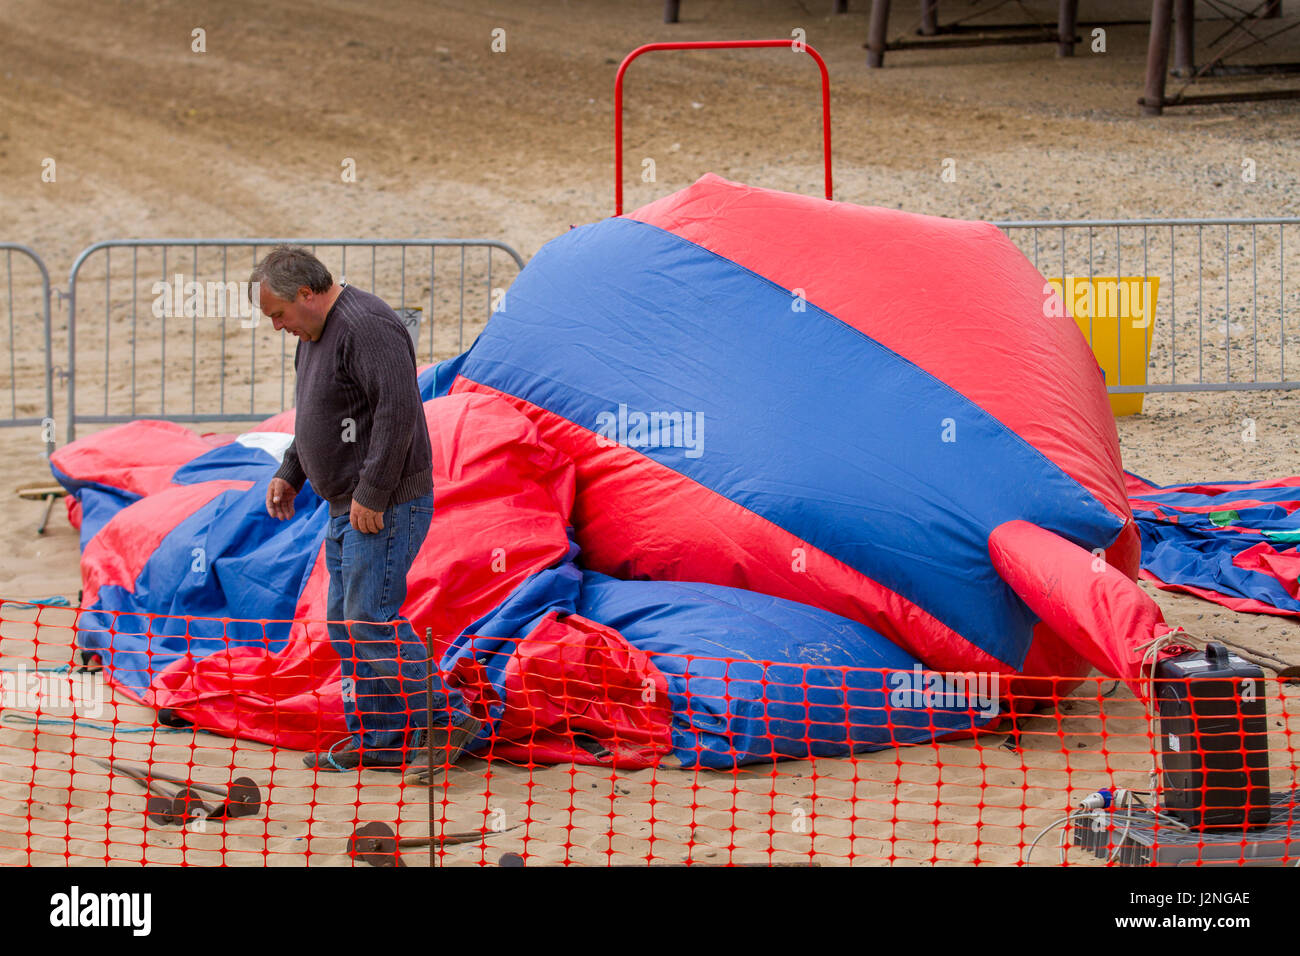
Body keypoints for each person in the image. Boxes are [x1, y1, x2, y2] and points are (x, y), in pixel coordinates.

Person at [252, 245, 479, 773]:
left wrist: (373, 492)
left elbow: (398, 412)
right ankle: (382, 737)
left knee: (368, 621)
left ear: (306, 294)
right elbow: (317, 412)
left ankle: (448, 718)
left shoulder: (366, 326)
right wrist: (291, 470)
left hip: (383, 504)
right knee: (345, 624)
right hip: (344, 504)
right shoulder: (313, 335)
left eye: (279, 314)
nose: (278, 326)